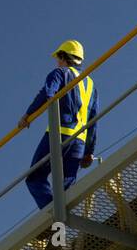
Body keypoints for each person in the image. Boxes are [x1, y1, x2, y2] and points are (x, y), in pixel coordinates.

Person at [19, 39, 98, 211]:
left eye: (58, 58)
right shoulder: (91, 85)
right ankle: (61, 222)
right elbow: (93, 121)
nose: (57, 62)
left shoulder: (60, 73)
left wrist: (28, 115)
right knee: (66, 187)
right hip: (79, 142)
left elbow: (47, 94)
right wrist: (88, 152)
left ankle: (51, 212)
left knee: (34, 178)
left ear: (63, 57)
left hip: (59, 133)